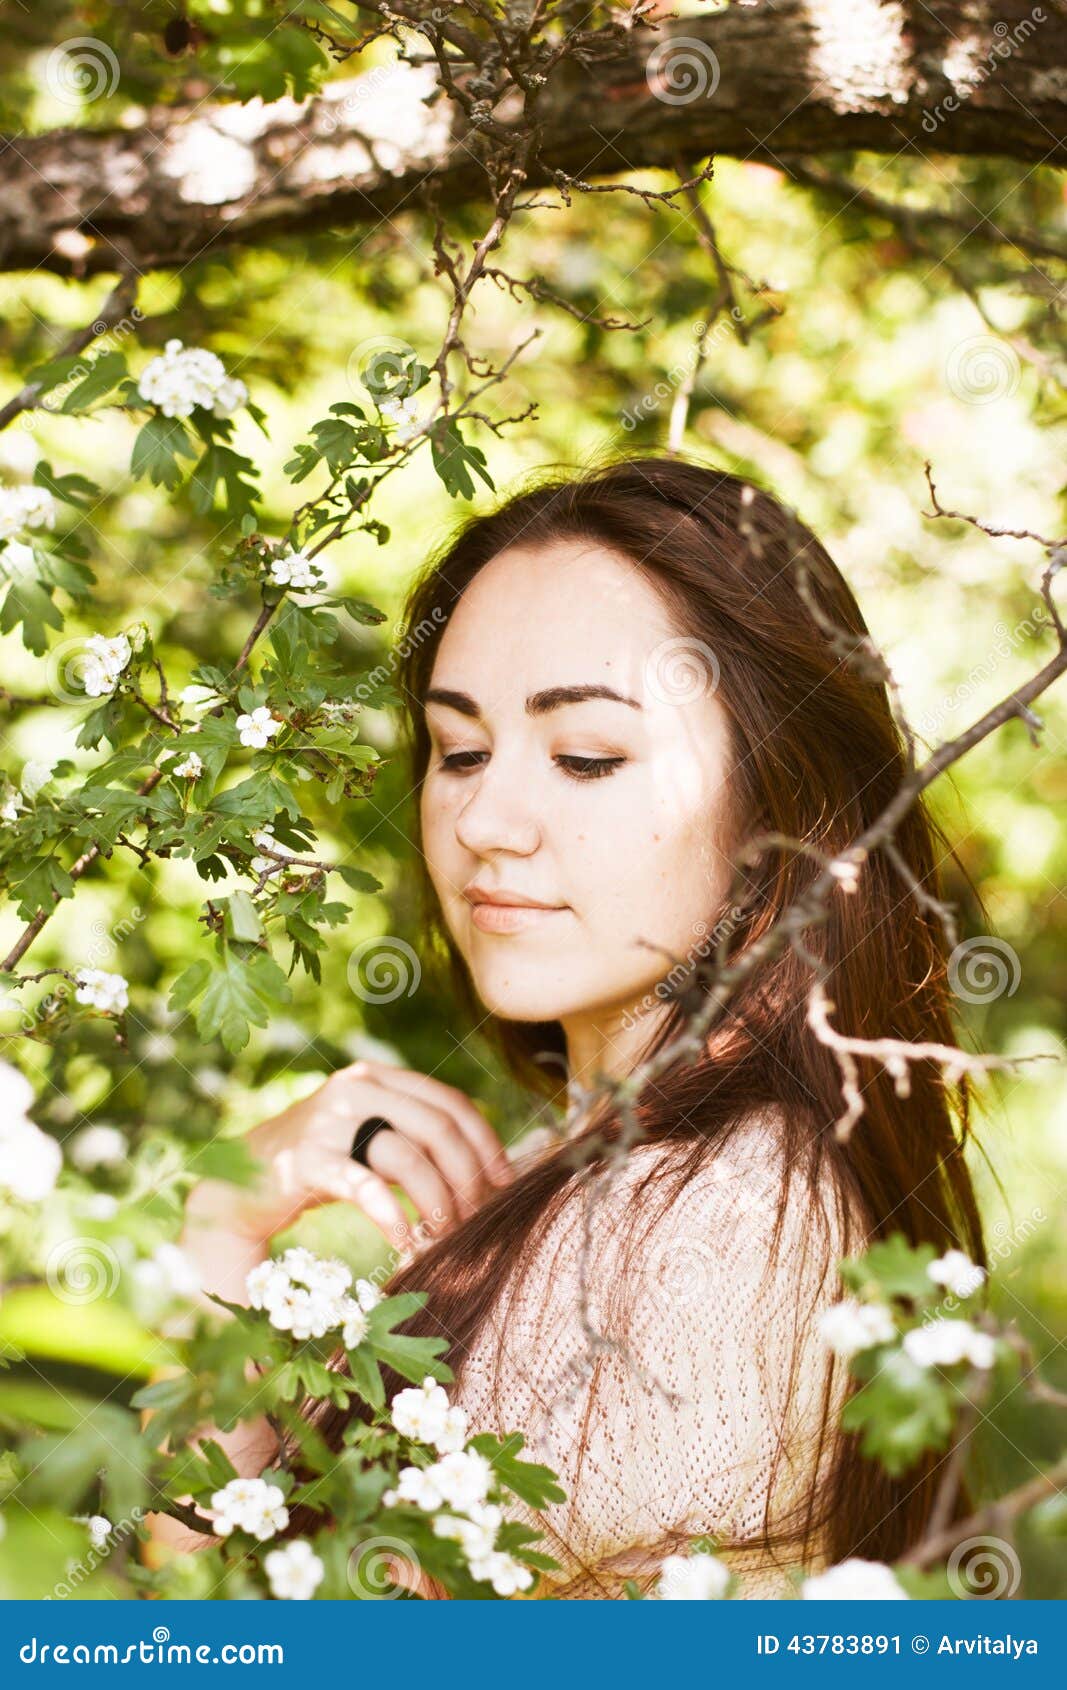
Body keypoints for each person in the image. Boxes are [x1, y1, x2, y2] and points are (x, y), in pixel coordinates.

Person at [173, 452, 986, 1598]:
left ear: (783, 805)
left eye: (585, 757)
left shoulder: (716, 1219)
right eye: (458, 749)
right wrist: (224, 1226)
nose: (483, 819)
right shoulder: (617, 1168)